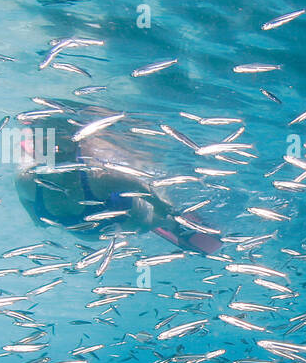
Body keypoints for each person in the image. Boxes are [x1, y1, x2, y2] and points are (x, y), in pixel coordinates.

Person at [13, 108, 223, 254]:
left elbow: (146, 192)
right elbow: (26, 202)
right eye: (47, 147)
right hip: (97, 227)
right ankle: (172, 224)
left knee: (157, 216)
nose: (56, 157)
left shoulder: (101, 177)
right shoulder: (26, 181)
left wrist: (169, 214)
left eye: (62, 150)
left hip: (122, 220)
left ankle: (173, 227)